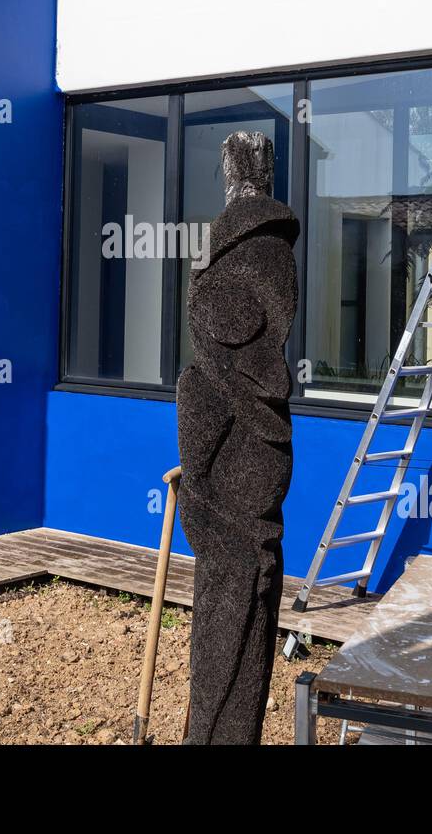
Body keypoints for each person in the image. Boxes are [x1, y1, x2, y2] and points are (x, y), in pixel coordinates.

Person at [176, 130, 298, 745]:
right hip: (258, 504)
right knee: (247, 624)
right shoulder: (279, 253)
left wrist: (194, 486)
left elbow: (199, 465)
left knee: (225, 639)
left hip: (236, 511)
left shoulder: (205, 380)